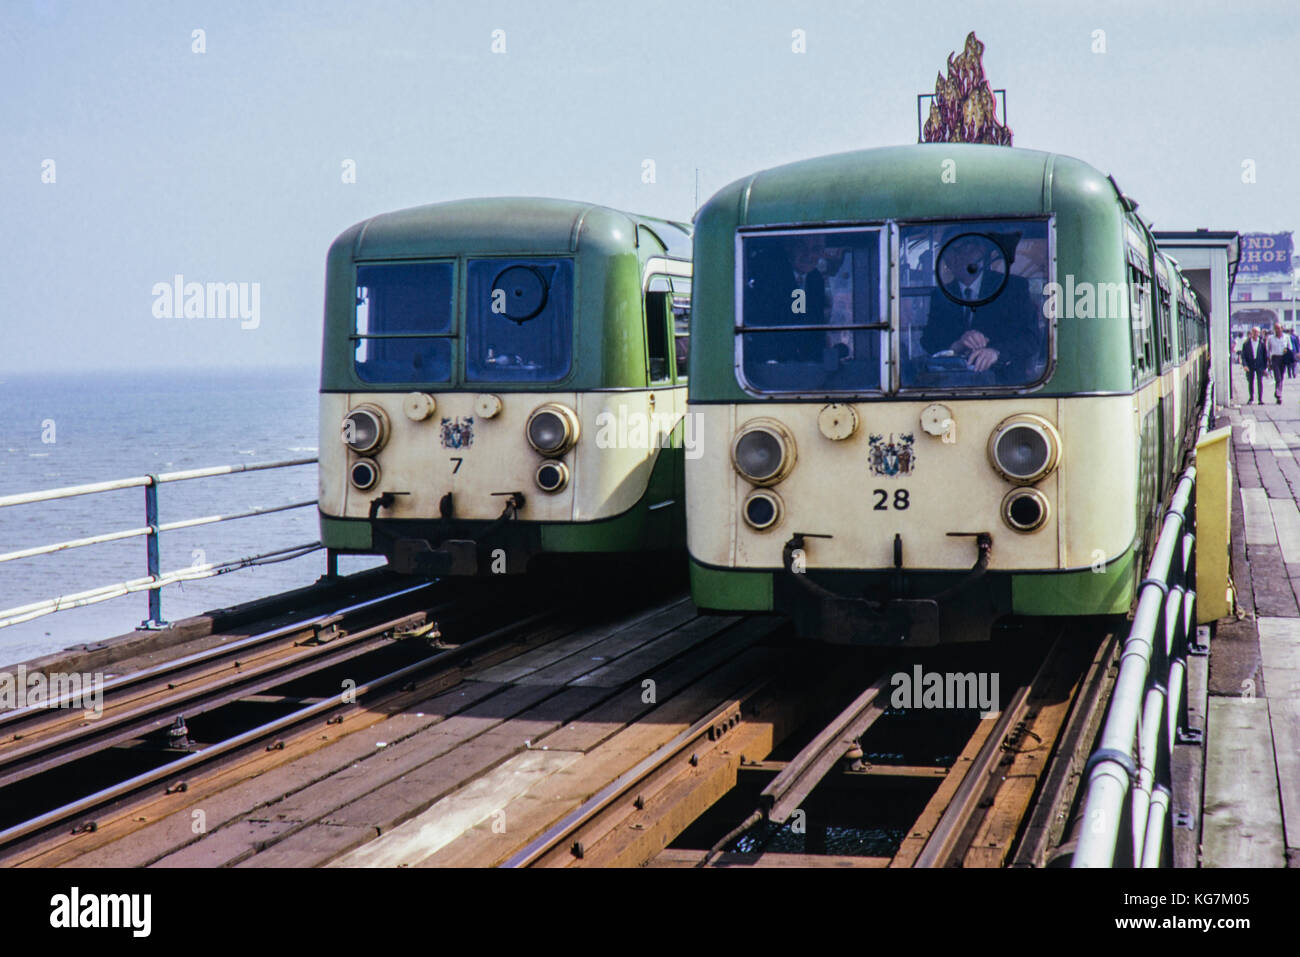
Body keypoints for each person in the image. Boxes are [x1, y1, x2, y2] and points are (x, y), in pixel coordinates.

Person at [919, 233, 1039, 380]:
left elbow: (1031, 339)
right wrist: (956, 345)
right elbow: (929, 341)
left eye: (965, 248)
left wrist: (996, 352)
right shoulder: (940, 295)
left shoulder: (1012, 288)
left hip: (1006, 385)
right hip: (953, 384)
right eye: (950, 251)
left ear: (981, 251)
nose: (957, 257)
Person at [1241, 326, 1268, 404]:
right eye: (1254, 332)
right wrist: (1245, 365)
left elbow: (1265, 356)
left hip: (1259, 364)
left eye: (1257, 332)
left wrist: (1265, 367)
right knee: (1251, 382)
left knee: (1260, 382)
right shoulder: (1246, 344)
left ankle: (1260, 399)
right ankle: (1251, 398)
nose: (1255, 334)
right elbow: (1243, 356)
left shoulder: (1262, 343)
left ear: (1259, 333)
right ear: (1251, 333)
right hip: (1250, 364)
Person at [1266, 322, 1290, 403]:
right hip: (1275, 358)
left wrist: (1287, 351)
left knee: (1281, 377)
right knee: (1278, 377)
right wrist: (1268, 361)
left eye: (1279, 328)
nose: (1277, 330)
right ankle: (1278, 393)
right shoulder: (1270, 338)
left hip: (1283, 358)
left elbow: (1290, 348)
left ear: (1282, 329)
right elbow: (1268, 350)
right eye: (1275, 328)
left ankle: (1278, 396)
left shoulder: (1286, 337)